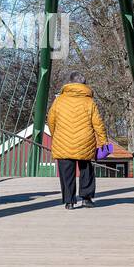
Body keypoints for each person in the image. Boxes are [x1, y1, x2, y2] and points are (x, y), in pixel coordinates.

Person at [45, 71, 106, 209]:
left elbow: (51, 120)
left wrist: (56, 136)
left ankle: (69, 201)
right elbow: (98, 123)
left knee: (66, 172)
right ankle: (86, 198)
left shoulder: (59, 100)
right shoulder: (89, 101)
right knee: (86, 169)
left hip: (63, 141)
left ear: (70, 83)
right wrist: (103, 141)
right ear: (84, 84)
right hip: (85, 140)